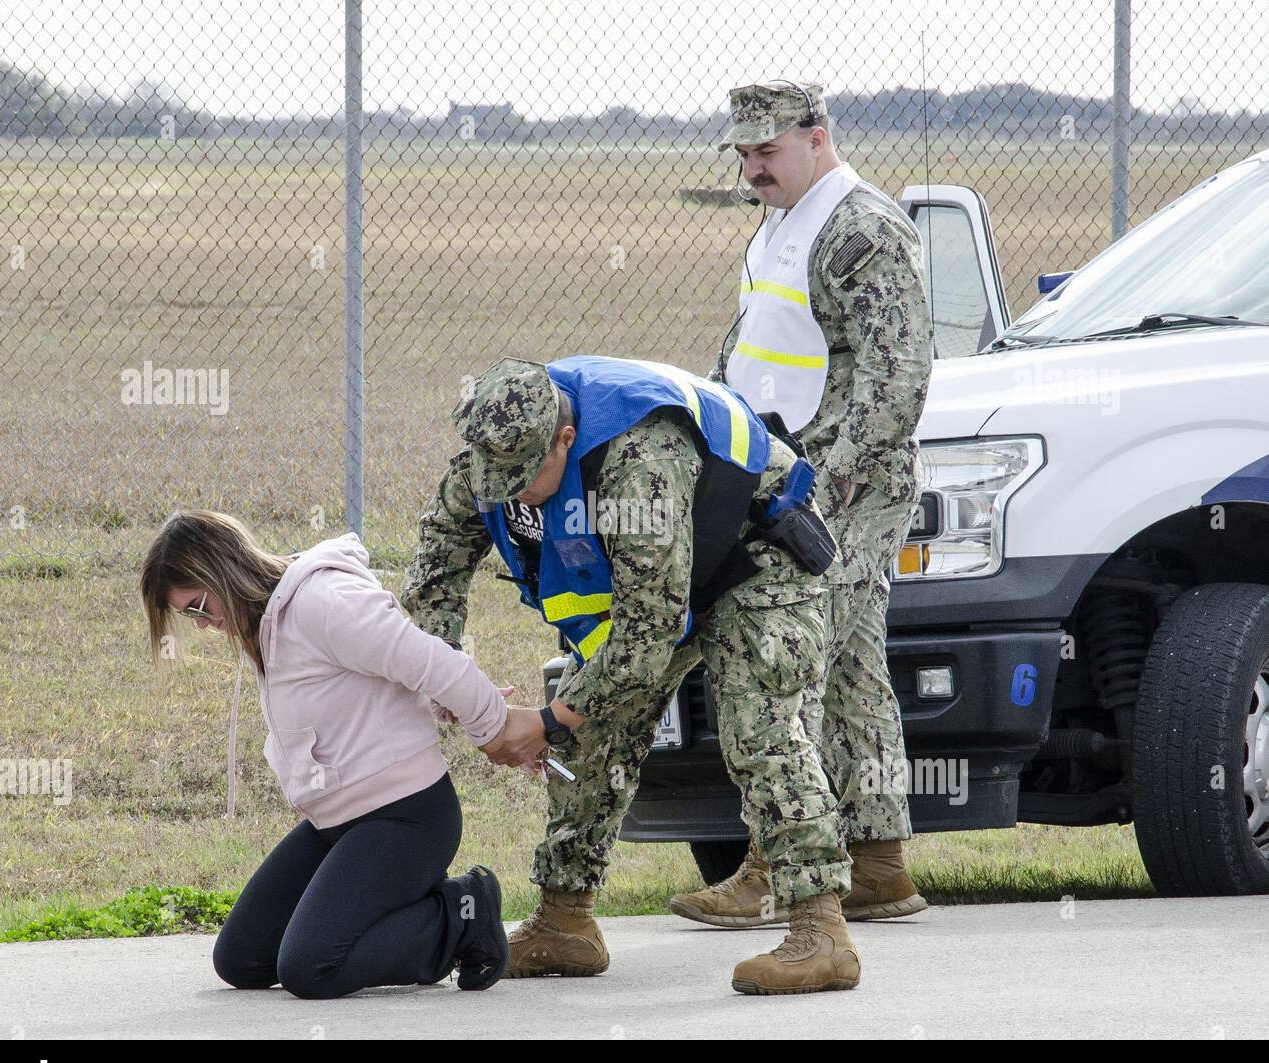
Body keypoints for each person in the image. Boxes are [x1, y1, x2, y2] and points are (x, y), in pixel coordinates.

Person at [402, 353, 864, 995]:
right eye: (493, 477)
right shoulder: (494, 456)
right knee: (587, 734)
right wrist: (445, 675)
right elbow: (436, 567)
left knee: (759, 729)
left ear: (564, 437)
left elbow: (649, 632)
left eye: (522, 476)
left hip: (753, 561)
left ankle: (822, 931)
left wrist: (544, 721)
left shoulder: (637, 459)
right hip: (659, 583)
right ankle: (566, 921)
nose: (506, 490)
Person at [670, 80, 934, 928]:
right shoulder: (785, 222)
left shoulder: (863, 227)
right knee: (851, 665)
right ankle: (880, 864)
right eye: (743, 153)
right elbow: (754, 342)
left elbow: (899, 375)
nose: (752, 167)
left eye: (766, 150)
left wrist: (827, 475)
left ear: (816, 138)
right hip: (786, 476)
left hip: (843, 487)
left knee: (792, 660)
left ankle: (777, 866)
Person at [139, 509, 546, 999]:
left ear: (222, 570)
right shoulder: (265, 621)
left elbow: (435, 661)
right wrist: (438, 707)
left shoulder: (322, 603)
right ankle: (390, 908)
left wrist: (494, 732)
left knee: (311, 968)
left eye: (200, 606)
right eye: (190, 616)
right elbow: (374, 682)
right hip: (337, 823)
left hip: (406, 818)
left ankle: (463, 912)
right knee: (241, 960)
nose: (203, 624)